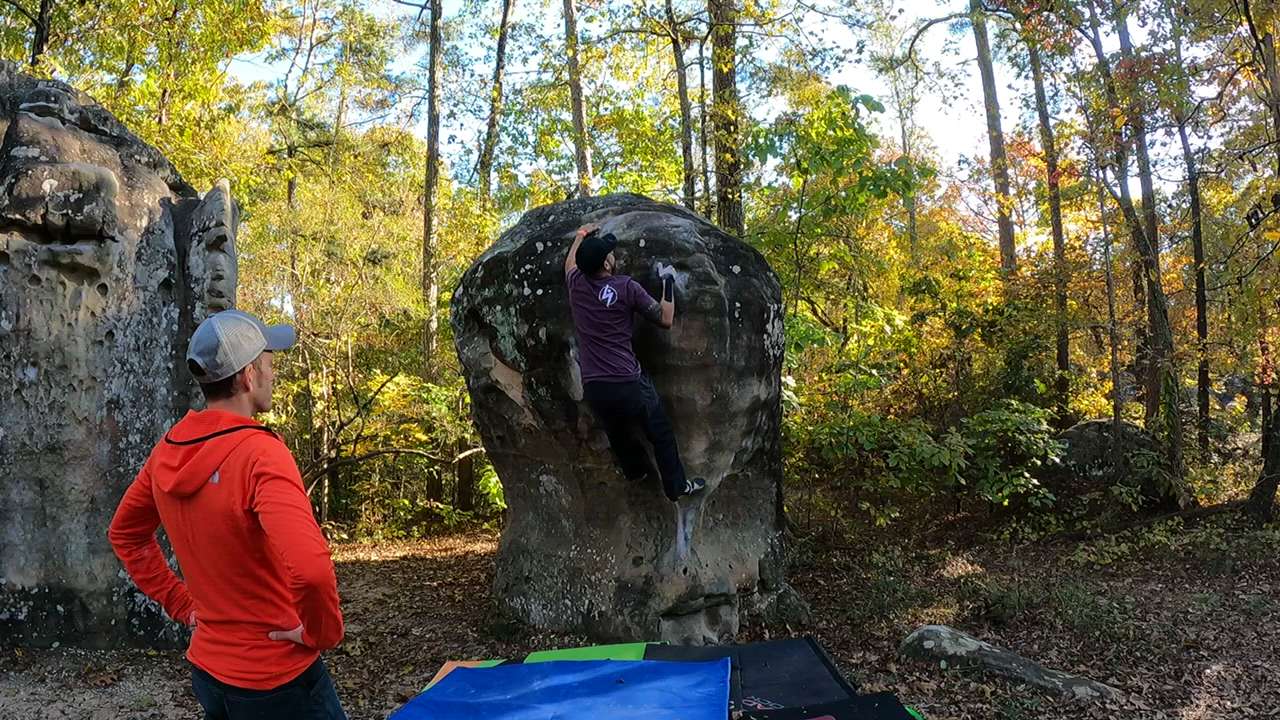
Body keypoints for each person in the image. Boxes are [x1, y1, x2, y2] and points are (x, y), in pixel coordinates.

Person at [108, 309, 346, 720]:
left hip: (210, 675)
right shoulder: (261, 454)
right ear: (248, 376)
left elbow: (125, 534)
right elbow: (311, 571)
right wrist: (320, 633)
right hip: (279, 680)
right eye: (270, 364)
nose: (273, 375)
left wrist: (181, 603)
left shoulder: (167, 451)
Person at [565, 223, 706, 501]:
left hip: (595, 386)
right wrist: (667, 281)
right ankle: (676, 487)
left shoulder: (576, 285)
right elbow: (665, 319)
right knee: (661, 434)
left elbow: (569, 264)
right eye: (610, 252)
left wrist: (579, 235)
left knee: (617, 432)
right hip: (628, 382)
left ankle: (635, 472)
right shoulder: (626, 287)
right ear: (607, 263)